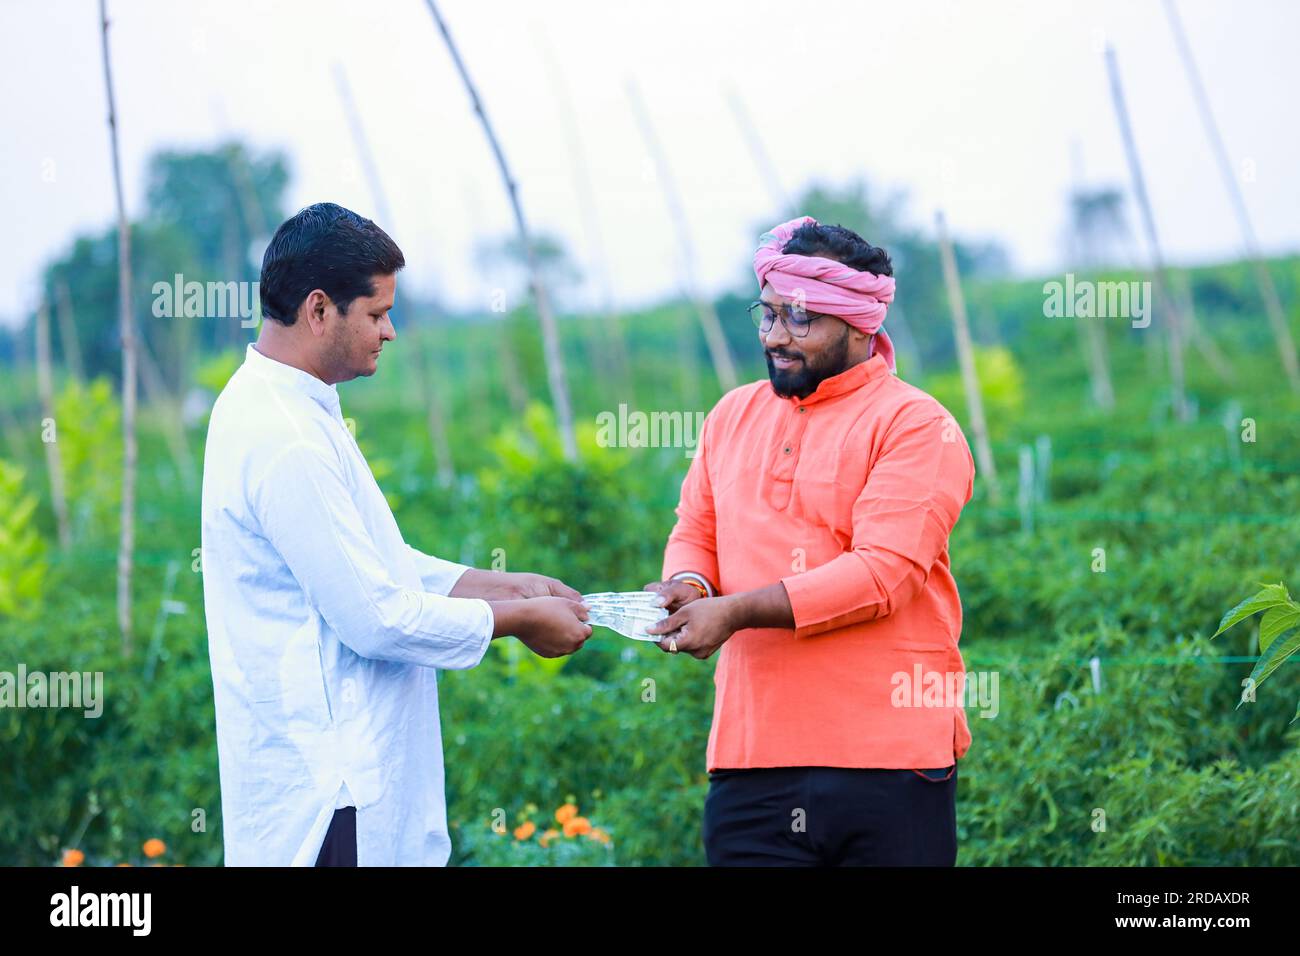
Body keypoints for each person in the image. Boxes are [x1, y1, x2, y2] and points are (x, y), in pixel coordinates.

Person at [200, 202, 591, 866]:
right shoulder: (284, 435)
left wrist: (503, 586)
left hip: (343, 785)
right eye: (377, 314)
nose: (391, 332)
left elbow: (375, 564)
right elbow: (375, 617)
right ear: (320, 310)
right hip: (331, 798)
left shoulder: (295, 407)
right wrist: (519, 620)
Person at [644, 215, 976, 866]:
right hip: (750, 761)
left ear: (859, 325)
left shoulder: (915, 425)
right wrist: (690, 586)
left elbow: (882, 574)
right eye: (767, 316)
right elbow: (696, 529)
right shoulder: (731, 416)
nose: (776, 338)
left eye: (800, 321)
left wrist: (735, 611)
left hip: (889, 762)